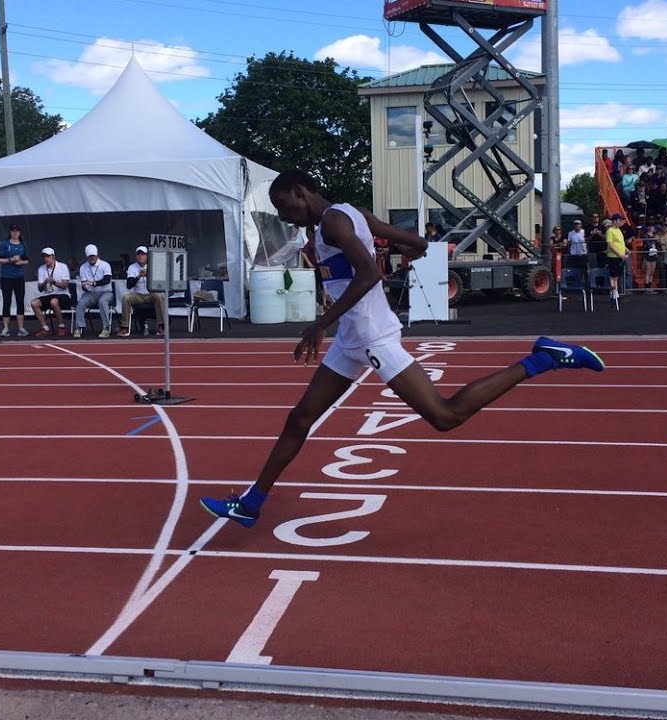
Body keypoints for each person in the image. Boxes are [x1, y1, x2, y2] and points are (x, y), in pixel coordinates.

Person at [199, 170, 606, 528]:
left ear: (301, 191)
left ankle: (544, 358)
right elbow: (416, 243)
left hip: (372, 336)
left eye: (284, 205)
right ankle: (252, 503)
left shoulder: (334, 222)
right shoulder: (349, 214)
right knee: (300, 418)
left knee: (446, 416)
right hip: (352, 341)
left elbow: (370, 275)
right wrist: (405, 248)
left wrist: (321, 323)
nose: (284, 215)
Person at [117, 245, 167, 337]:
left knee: (159, 296)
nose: (141, 256)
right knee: (126, 297)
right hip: (138, 295)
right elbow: (129, 285)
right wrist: (138, 276)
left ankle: (161, 326)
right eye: (139, 254)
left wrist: (148, 275)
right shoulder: (132, 267)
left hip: (151, 293)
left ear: (147, 256)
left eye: (143, 254)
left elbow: (160, 283)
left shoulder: (153, 265)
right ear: (136, 256)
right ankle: (125, 327)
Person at [0, 224, 31, 337]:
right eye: (13, 231)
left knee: (20, 301)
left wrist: (21, 262)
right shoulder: (4, 244)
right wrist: (11, 259)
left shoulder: (22, 245)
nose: (15, 233)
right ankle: (5, 328)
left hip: (19, 277)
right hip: (6, 277)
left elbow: (27, 260)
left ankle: (21, 328)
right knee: (7, 301)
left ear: (20, 232)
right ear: (10, 232)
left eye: (17, 231)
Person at [73, 243, 115, 338]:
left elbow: (107, 280)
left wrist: (93, 283)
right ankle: (79, 327)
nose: (92, 257)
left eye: (93, 255)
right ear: (87, 256)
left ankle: (106, 328)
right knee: (81, 303)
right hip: (90, 293)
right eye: (90, 256)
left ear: (97, 255)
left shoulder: (105, 265)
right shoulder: (83, 267)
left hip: (106, 292)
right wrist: (85, 286)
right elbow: (84, 284)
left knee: (103, 301)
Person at [30, 247, 71, 337]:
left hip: (63, 294)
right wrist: (45, 282)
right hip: (48, 294)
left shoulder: (62, 266)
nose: (46, 259)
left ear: (53, 256)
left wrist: (54, 282)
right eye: (44, 257)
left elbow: (65, 286)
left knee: (54, 301)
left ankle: (61, 327)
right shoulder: (41, 269)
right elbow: (40, 289)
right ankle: (45, 328)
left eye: (48, 256)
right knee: (34, 303)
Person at [605, 213, 628, 301]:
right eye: (619, 220)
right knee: (613, 276)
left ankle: (616, 293)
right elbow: (610, 245)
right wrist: (620, 254)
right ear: (614, 221)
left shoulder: (618, 230)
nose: (620, 222)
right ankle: (613, 294)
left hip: (619, 256)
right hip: (613, 257)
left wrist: (625, 249)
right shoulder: (610, 231)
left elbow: (619, 243)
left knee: (616, 276)